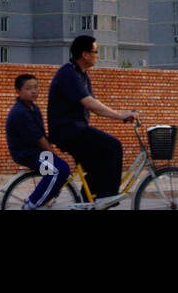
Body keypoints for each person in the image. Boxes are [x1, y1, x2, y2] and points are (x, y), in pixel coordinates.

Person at [46, 35, 138, 202]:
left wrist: (120, 114)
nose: (97, 55)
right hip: (68, 131)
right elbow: (89, 103)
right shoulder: (69, 74)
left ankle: (89, 202)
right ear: (85, 54)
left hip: (76, 129)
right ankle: (107, 197)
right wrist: (119, 115)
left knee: (99, 165)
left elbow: (95, 105)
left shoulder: (82, 75)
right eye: (96, 52)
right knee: (113, 146)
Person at [6, 73, 71, 209]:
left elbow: (42, 134)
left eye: (36, 87)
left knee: (60, 170)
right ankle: (32, 203)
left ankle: (45, 197)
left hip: (36, 151)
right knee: (59, 170)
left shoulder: (33, 108)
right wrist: (52, 153)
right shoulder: (20, 112)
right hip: (26, 153)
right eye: (28, 88)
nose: (34, 91)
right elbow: (39, 138)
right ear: (18, 91)